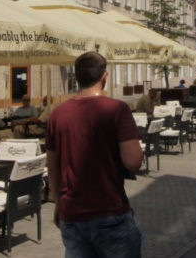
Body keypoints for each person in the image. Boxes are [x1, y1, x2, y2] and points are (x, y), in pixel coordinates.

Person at [47, 51, 143, 257]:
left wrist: (58, 202)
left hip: (72, 214)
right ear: (104, 77)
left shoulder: (57, 113)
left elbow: (52, 166)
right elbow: (133, 162)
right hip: (109, 211)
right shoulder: (117, 109)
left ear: (76, 77)